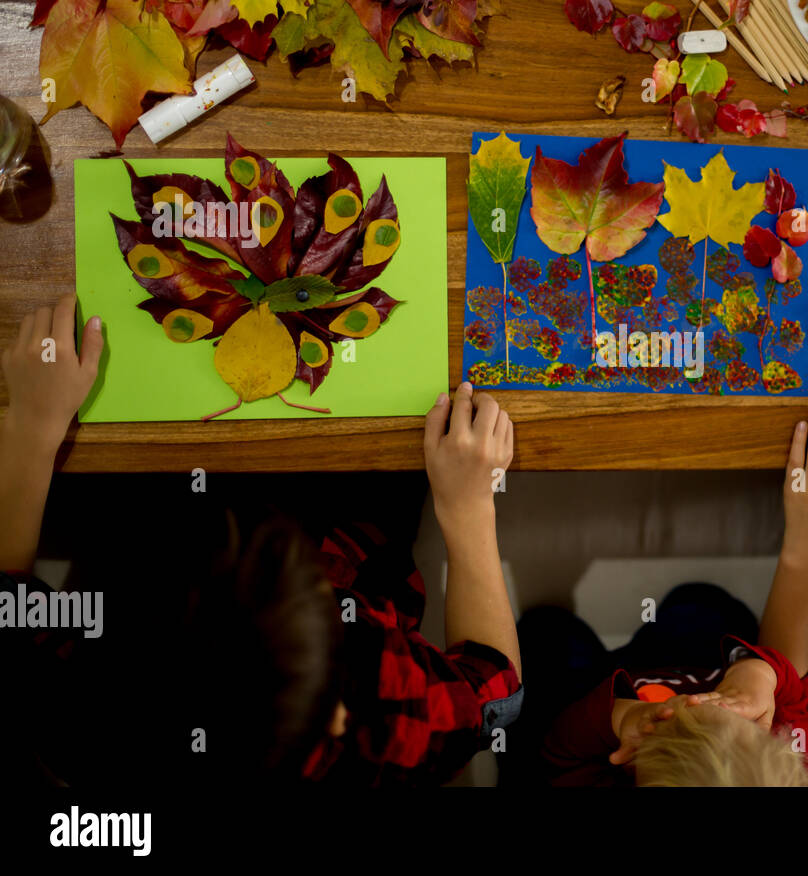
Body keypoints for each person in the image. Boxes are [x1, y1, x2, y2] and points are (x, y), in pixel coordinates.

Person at [0, 295, 521, 785]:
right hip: (355, 520)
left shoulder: (89, 712)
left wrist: (31, 428)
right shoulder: (384, 714)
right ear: (340, 716)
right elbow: (498, 692)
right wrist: (469, 505)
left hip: (161, 514)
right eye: (317, 591)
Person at [508, 397, 808, 787]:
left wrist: (625, 720)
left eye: (686, 718)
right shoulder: (793, 772)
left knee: (543, 633)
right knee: (702, 606)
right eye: (753, 724)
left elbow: (555, 752)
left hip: (599, 704)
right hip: (701, 660)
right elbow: (794, 690)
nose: (704, 705)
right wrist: (758, 674)